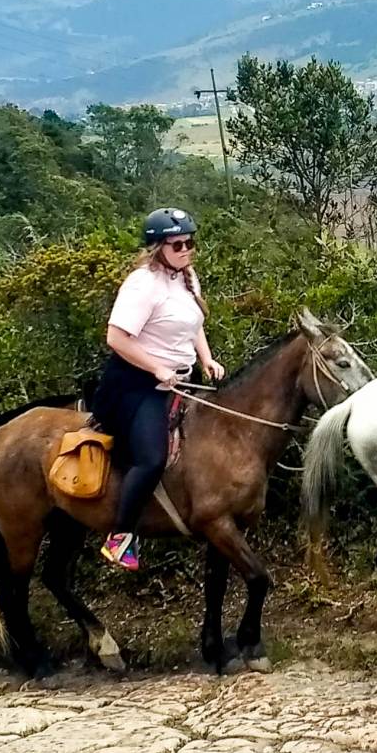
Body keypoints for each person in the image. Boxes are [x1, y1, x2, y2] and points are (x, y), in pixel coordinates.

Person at [95, 207, 226, 571]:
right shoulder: (143, 284)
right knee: (152, 458)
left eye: (190, 243)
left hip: (181, 379)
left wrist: (206, 359)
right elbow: (116, 337)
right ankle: (120, 539)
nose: (187, 250)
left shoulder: (186, 277)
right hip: (138, 384)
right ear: (158, 249)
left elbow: (193, 323)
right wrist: (157, 368)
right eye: (178, 244)